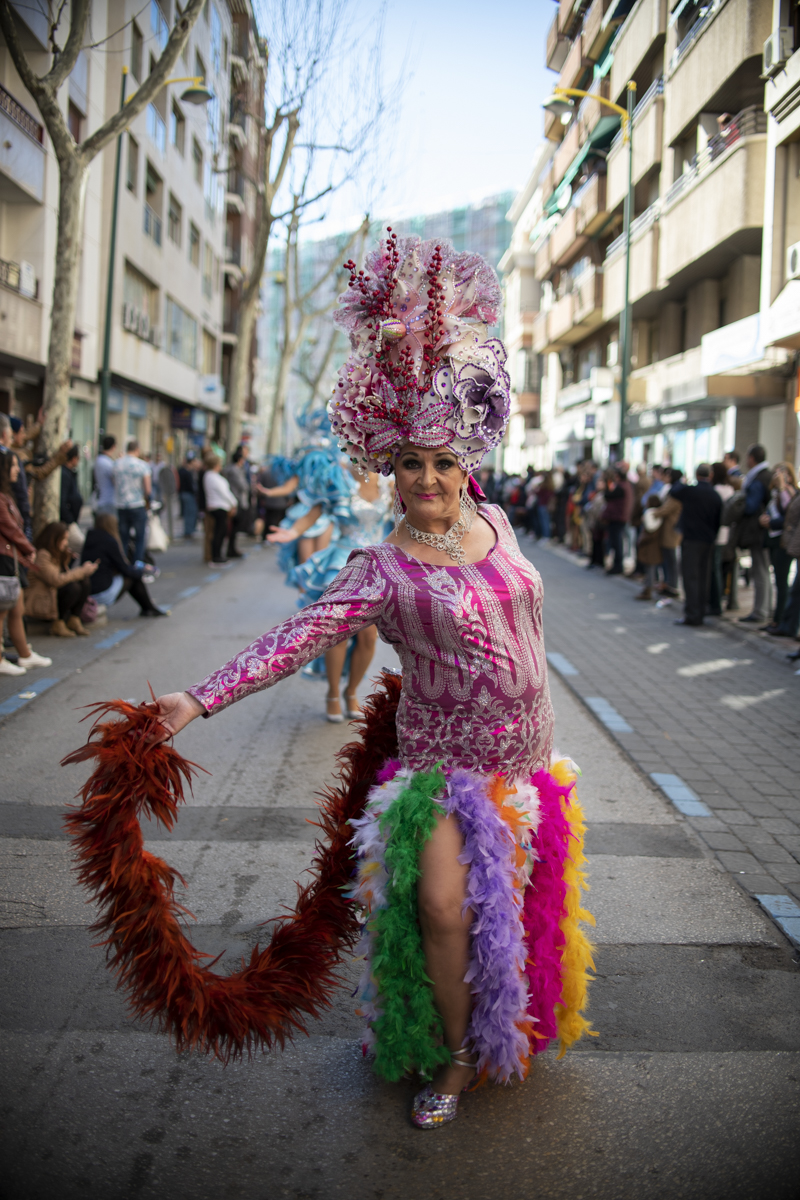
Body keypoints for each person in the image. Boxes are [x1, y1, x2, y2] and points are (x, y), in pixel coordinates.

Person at [151, 234, 594, 1130]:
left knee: (510, 913)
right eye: (408, 465)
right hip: (441, 770)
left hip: (529, 763)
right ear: (386, 470)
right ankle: (462, 1054)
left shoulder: (502, 523)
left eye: (441, 461)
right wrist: (197, 698)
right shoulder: (379, 568)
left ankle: (504, 1024)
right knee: (439, 906)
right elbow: (291, 638)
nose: (427, 479)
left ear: (466, 458)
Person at [270, 466, 391, 722]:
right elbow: (315, 512)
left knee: (369, 637)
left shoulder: (390, 485)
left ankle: (351, 691)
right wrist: (292, 532)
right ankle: (333, 693)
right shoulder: (340, 481)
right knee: (340, 634)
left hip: (375, 566)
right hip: (344, 563)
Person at [0, 450, 52, 675]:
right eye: (12, 466)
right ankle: (4, 658)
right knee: (3, 611)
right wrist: (28, 549)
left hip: (10, 557)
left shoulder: (7, 494)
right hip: (4, 558)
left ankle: (24, 654)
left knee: (15, 607)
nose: (17, 470)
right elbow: (10, 527)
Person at [81, 512, 168, 617]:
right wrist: (141, 572)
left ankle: (148, 608)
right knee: (131, 577)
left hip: (88, 592)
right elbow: (124, 569)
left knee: (131, 574)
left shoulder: (89, 539)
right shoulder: (109, 541)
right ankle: (149, 608)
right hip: (101, 594)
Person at [25, 521, 98, 637]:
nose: (66, 543)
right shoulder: (42, 555)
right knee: (73, 587)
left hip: (52, 592)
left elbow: (64, 576)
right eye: (64, 539)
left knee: (84, 582)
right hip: (43, 597)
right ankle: (58, 622)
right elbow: (55, 580)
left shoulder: (57, 553)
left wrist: (67, 558)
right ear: (54, 539)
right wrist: (80, 571)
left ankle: (74, 619)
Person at [673, 463, 722, 626]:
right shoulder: (714, 495)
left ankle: (693, 614)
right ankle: (700, 611)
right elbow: (718, 520)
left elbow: (674, 491)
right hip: (707, 540)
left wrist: (682, 481)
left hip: (693, 539)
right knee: (703, 577)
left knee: (691, 577)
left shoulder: (691, 490)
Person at [737, 443, 772, 625]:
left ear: (751, 458)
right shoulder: (767, 475)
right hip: (766, 531)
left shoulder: (758, 479)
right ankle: (765, 609)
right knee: (764, 570)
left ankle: (760, 611)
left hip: (758, 532)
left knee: (760, 571)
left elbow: (750, 506)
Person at [766, 486, 800, 641]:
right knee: (794, 589)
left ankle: (789, 626)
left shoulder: (790, 492)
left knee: (793, 588)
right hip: (792, 544)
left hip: (793, 543)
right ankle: (788, 626)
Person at [114, 439, 151, 566]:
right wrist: (148, 502)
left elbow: (114, 483)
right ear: (137, 450)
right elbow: (148, 489)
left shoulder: (117, 464)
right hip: (137, 504)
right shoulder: (142, 465)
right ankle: (138, 563)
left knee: (123, 537)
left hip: (121, 504)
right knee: (140, 537)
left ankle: (123, 563)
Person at [708, 462, 734, 617]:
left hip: (717, 534)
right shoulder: (729, 489)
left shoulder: (717, 491)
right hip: (725, 533)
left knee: (715, 569)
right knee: (719, 568)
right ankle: (717, 601)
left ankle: (715, 603)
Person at [203, 455, 237, 564]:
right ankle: (216, 556)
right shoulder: (213, 477)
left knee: (219, 532)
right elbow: (224, 493)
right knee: (220, 532)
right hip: (219, 506)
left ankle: (217, 555)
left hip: (215, 505)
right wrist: (234, 503)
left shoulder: (209, 476)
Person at [222, 446, 251, 558]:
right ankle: (231, 550)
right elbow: (243, 486)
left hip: (235, 500)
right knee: (234, 527)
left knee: (234, 528)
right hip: (237, 501)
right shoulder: (235, 470)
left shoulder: (231, 469)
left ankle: (232, 548)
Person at [602, 466, 632, 574]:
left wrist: (607, 485)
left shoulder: (621, 487)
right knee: (616, 542)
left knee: (617, 542)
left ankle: (618, 566)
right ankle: (617, 565)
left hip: (617, 518)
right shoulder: (625, 486)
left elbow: (608, 495)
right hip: (619, 517)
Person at [177, 452, 200, 538]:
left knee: (188, 513)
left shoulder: (182, 470)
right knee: (190, 513)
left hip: (183, 494)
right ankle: (188, 531)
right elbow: (191, 485)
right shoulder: (187, 472)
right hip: (188, 494)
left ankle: (189, 530)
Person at [93, 435, 117, 514]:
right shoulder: (109, 464)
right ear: (113, 446)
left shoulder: (98, 460)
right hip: (109, 501)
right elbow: (115, 481)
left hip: (100, 500)